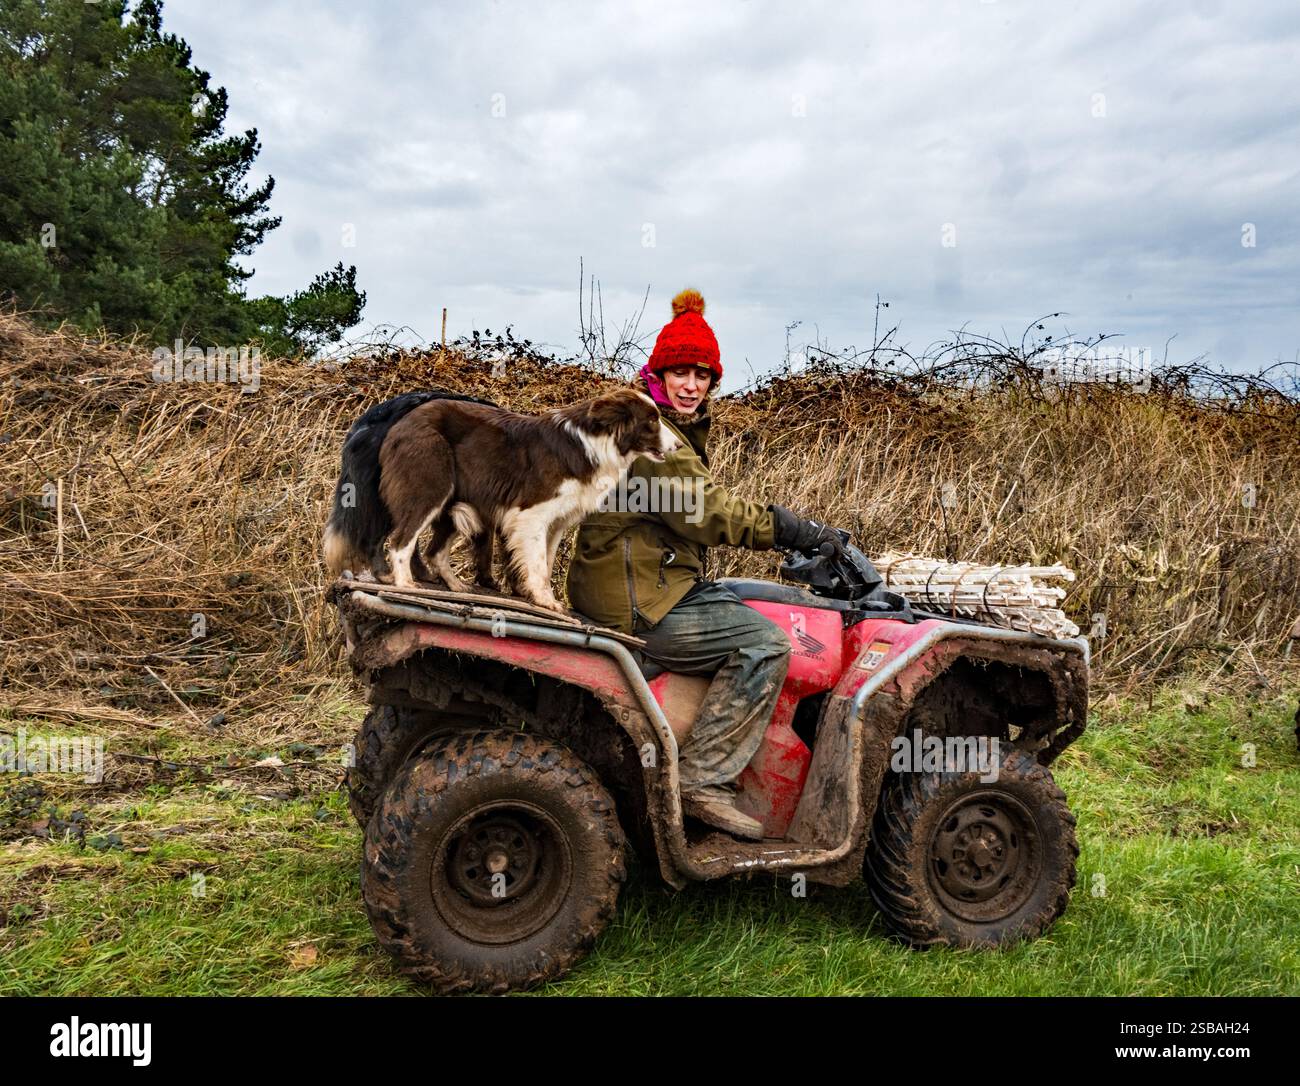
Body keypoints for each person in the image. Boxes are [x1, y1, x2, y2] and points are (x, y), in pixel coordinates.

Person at [566, 289, 844, 840]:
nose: (690, 385)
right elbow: (704, 512)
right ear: (659, 374)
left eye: (701, 374)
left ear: (713, 380)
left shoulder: (662, 424)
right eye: (679, 372)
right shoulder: (650, 436)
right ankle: (701, 780)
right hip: (636, 598)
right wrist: (789, 527)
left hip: (640, 581)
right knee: (763, 643)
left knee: (740, 600)